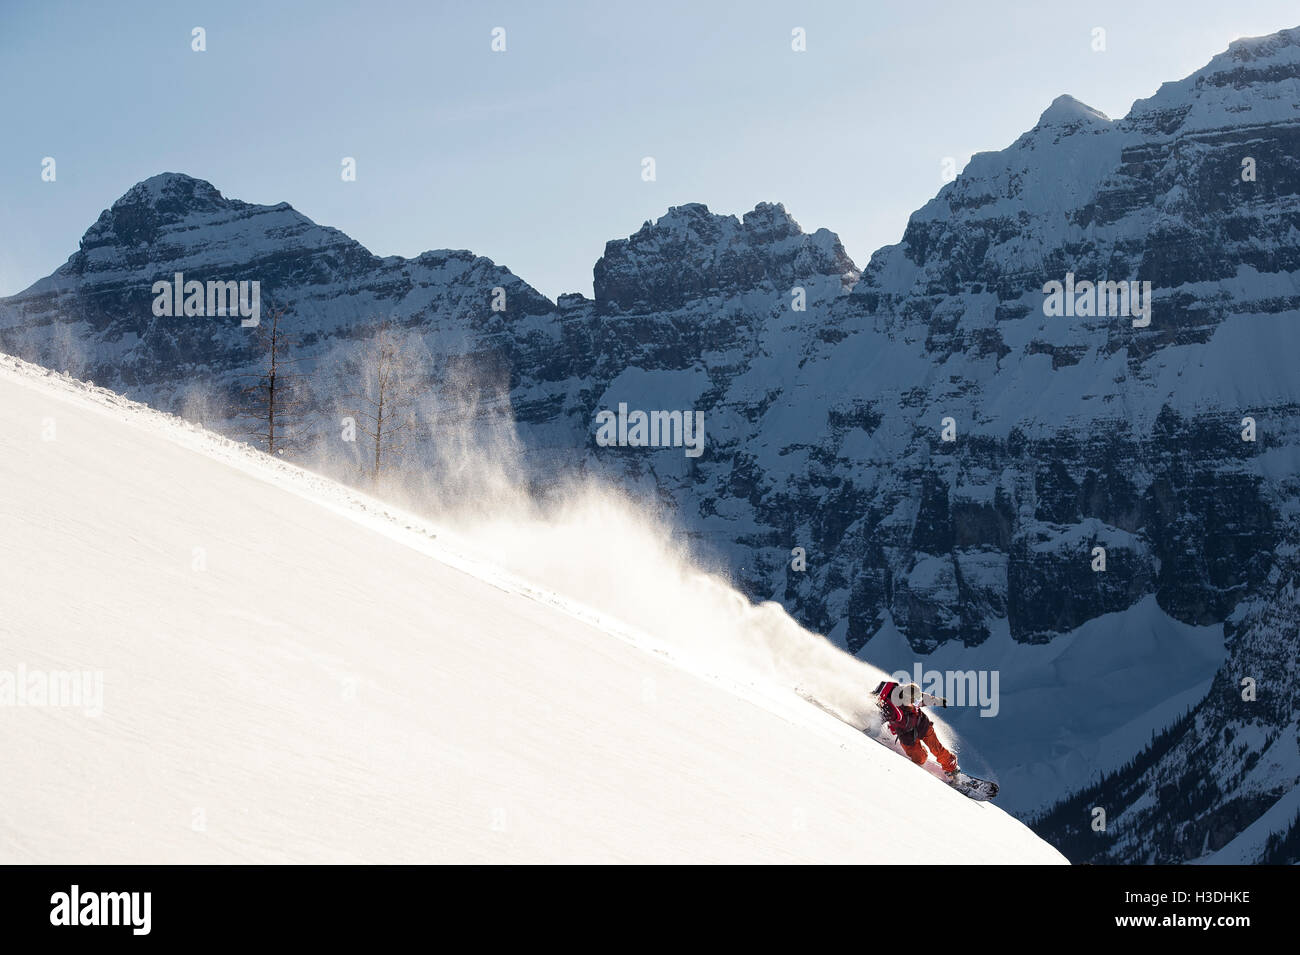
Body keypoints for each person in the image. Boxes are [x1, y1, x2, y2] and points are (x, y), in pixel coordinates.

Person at [873, 680, 958, 777]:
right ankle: (922, 753)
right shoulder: (893, 709)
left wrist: (939, 701)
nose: (916, 703)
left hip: (922, 725)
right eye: (913, 701)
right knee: (920, 758)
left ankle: (951, 768)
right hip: (907, 735)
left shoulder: (912, 696)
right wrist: (873, 728)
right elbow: (881, 717)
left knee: (936, 748)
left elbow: (924, 699)